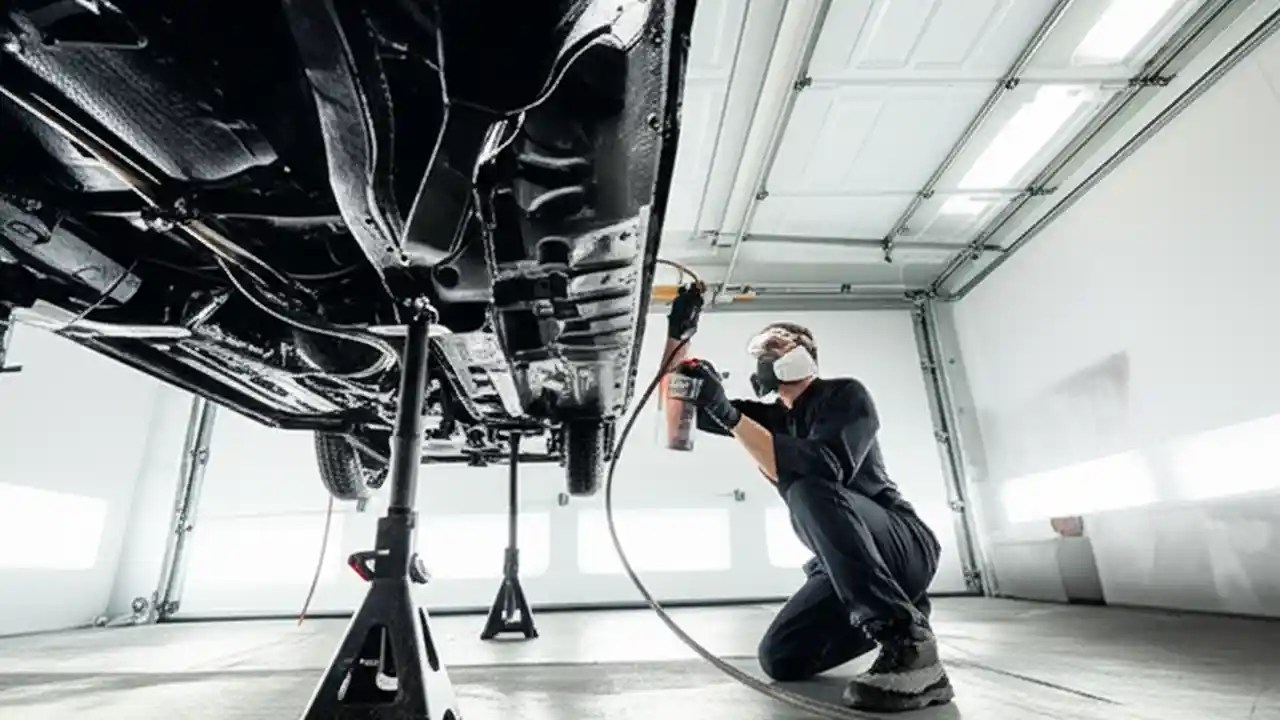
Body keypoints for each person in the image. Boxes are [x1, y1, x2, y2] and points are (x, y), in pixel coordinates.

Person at [663, 286, 954, 713]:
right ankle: (904, 603)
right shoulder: (770, 420)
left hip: (901, 543)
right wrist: (679, 333)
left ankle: (908, 643)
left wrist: (729, 415)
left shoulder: (845, 395)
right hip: (843, 563)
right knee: (782, 658)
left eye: (778, 343)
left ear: (805, 355)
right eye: (760, 348)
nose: (766, 352)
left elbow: (825, 465)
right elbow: (675, 404)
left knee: (806, 482)